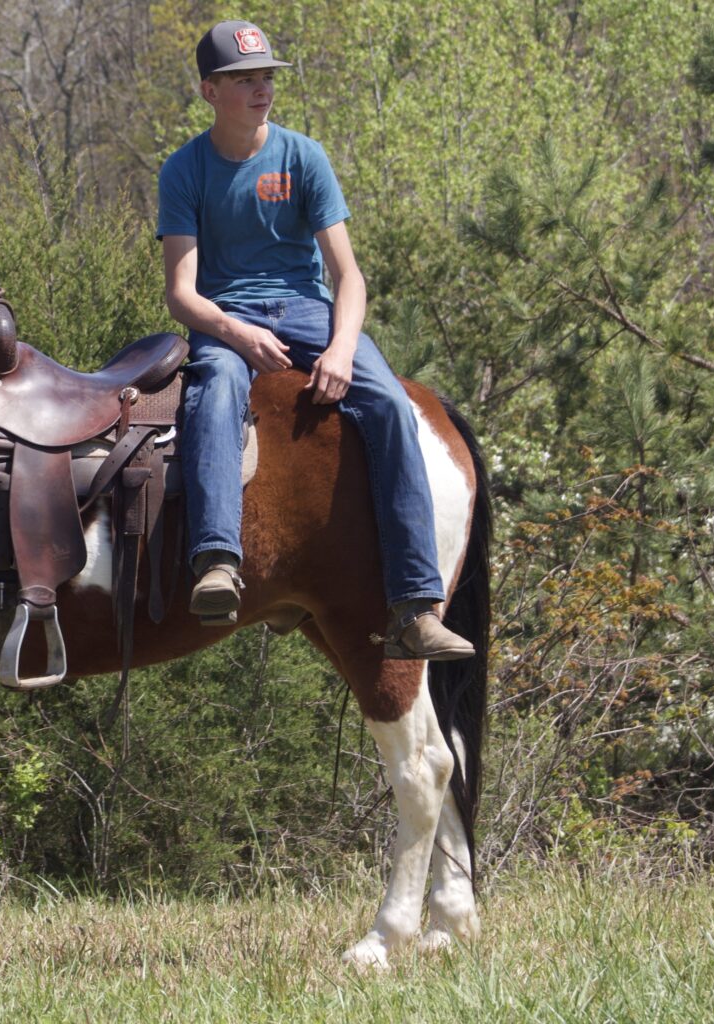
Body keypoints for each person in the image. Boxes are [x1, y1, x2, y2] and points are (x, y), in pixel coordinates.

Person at [156, 19, 473, 660]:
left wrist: (342, 348)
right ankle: (217, 562)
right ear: (208, 90)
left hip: (308, 310)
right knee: (215, 388)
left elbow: (349, 276)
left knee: (386, 403)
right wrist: (238, 335)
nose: (261, 89)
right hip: (227, 313)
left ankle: (415, 606)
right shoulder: (184, 169)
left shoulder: (304, 157)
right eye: (245, 79)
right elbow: (182, 292)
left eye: (267, 76)